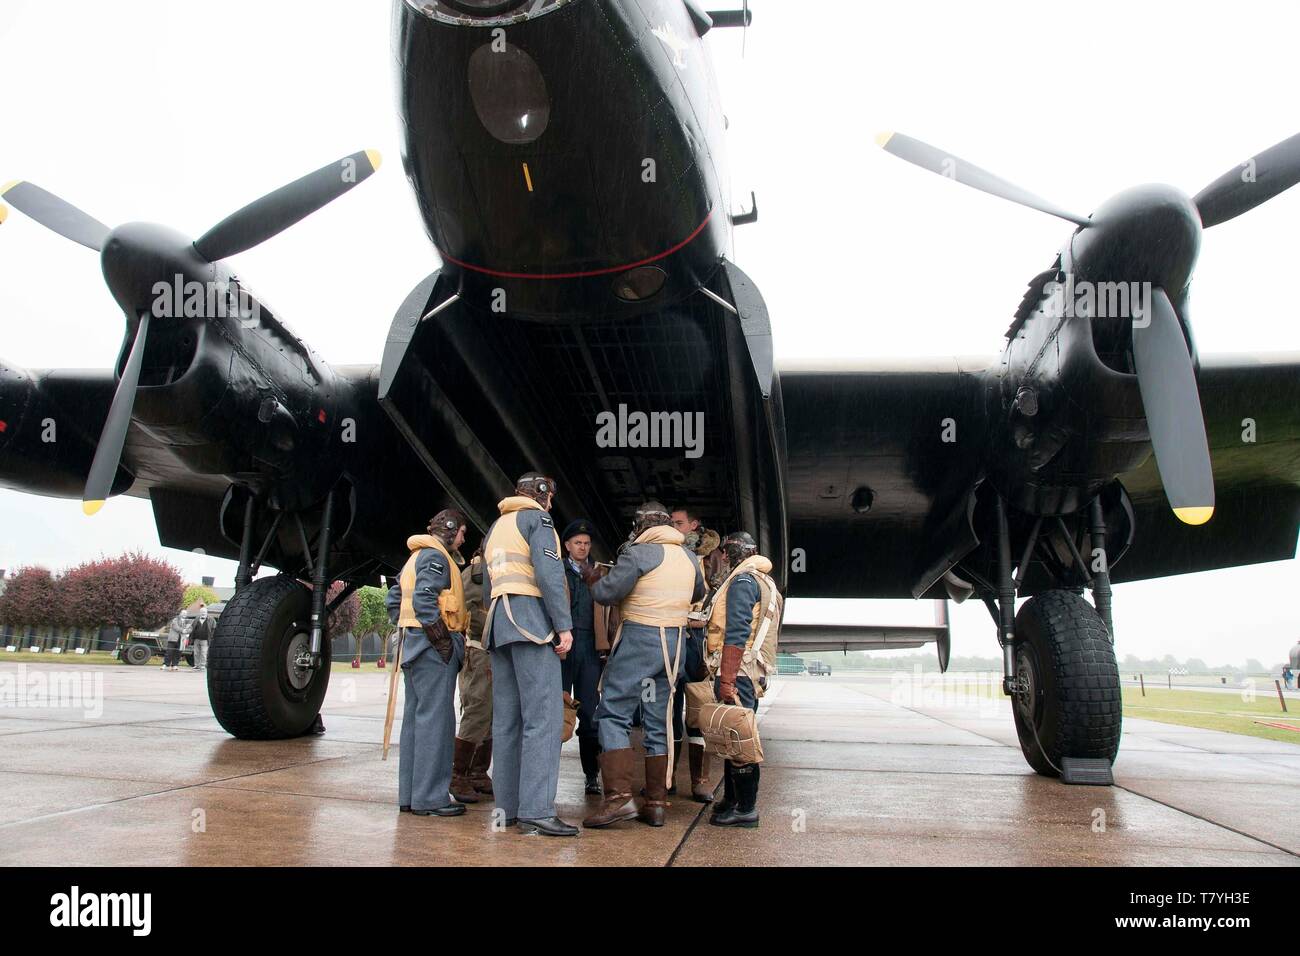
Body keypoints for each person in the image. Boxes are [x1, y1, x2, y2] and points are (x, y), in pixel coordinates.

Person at [583, 502, 705, 829]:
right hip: (673, 646)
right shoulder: (689, 557)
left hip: (640, 641)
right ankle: (656, 803)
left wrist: (593, 579)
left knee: (613, 713)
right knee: (658, 718)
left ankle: (618, 798)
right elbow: (698, 591)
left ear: (641, 525)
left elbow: (609, 593)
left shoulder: (640, 553)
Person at [481, 472, 579, 837]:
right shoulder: (537, 519)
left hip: (498, 627)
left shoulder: (496, 527)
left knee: (506, 723)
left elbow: (489, 585)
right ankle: (537, 811)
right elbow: (550, 574)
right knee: (544, 719)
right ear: (544, 496)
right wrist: (563, 625)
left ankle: (506, 811)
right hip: (531, 624)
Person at [386, 509, 471, 818]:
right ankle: (432, 798)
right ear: (450, 529)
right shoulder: (436, 558)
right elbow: (424, 601)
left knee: (415, 724)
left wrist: (409, 631)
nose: (463, 538)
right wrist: (442, 641)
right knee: (436, 724)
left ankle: (411, 796)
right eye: (462, 532)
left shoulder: (414, 558)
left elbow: (394, 600)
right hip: (433, 651)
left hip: (413, 648)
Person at [705, 531, 784, 828]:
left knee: (740, 739)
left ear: (730, 553)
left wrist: (726, 678)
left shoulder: (741, 582)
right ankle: (733, 799)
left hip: (738, 671)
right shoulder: (764, 581)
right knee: (732, 735)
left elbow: (736, 632)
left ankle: (746, 808)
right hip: (750, 671)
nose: (721, 557)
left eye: (724, 552)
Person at [671, 506, 721, 801]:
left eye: (678, 523)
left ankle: (700, 781)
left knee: (699, 713)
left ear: (694, 525)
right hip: (672, 637)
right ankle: (666, 779)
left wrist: (701, 618)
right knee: (667, 713)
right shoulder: (667, 552)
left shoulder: (713, 558)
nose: (674, 527)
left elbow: (718, 596)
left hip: (699, 644)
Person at [560, 518, 607, 794]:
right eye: (578, 543)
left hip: (590, 647)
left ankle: (592, 775)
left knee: (590, 715)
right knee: (557, 711)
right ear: (567, 545)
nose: (583, 547)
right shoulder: (557, 571)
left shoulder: (598, 574)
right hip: (563, 648)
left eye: (587, 543)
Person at [451, 548, 494, 803]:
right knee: (477, 710)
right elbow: (463, 609)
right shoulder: (475, 573)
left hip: (493, 652)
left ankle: (478, 772)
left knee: (490, 713)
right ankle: (459, 775)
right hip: (478, 651)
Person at [190, 606, 213, 672]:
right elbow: (192, 627)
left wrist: (212, 636)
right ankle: (197, 665)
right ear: (200, 612)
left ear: (207, 612)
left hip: (205, 640)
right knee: (196, 653)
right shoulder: (196, 619)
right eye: (202, 612)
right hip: (196, 639)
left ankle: (202, 666)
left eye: (204, 612)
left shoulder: (210, 619)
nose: (203, 613)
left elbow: (214, 628)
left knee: (203, 653)